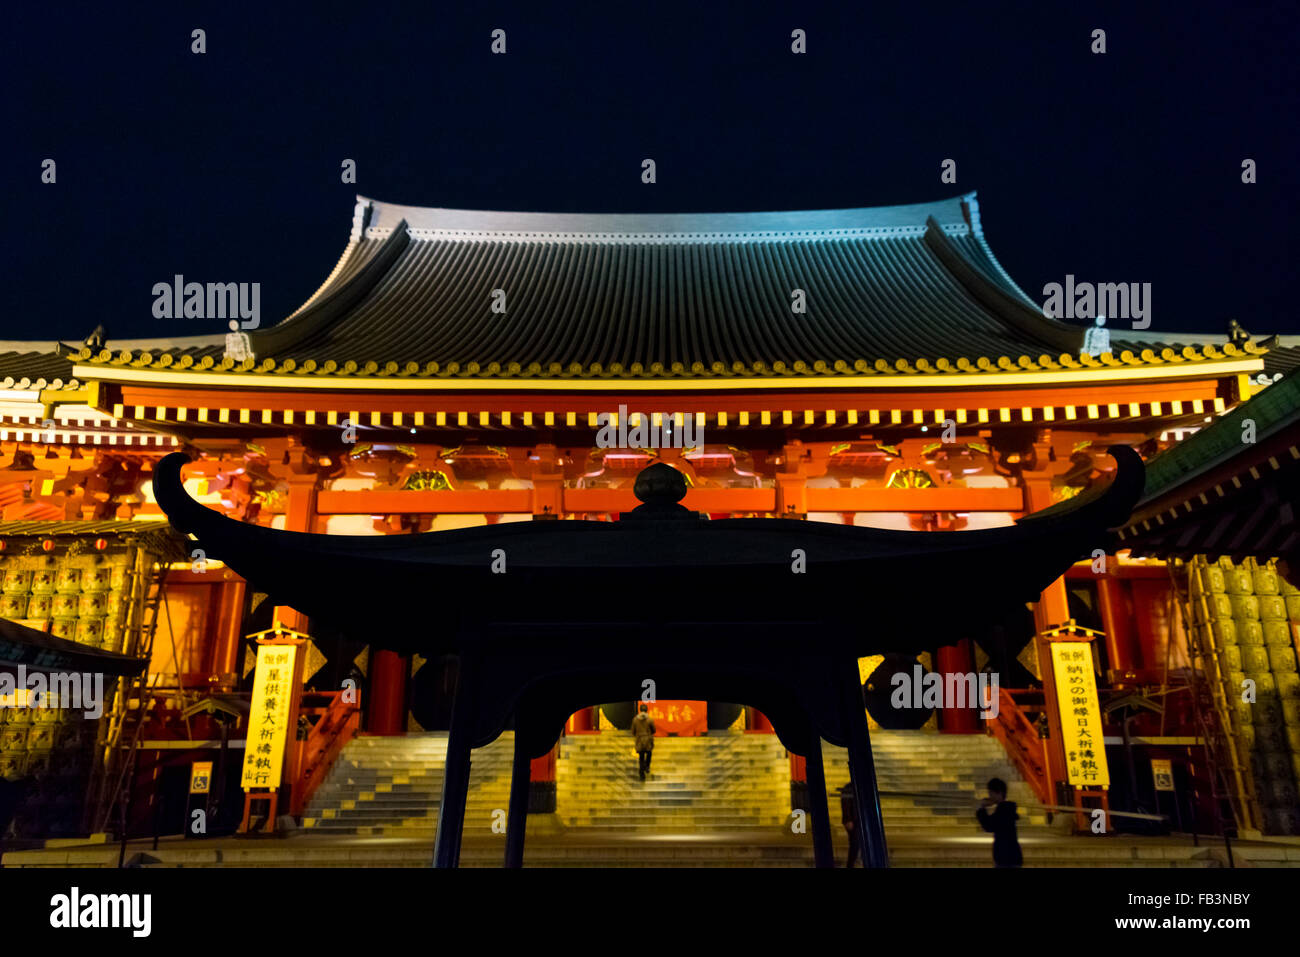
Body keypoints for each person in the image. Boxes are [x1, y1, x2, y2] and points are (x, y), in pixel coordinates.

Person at [975, 777, 1023, 867]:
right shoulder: (1006, 808)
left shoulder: (1003, 810)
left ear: (999, 793)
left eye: (991, 793)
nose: (989, 796)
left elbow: (989, 826)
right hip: (1009, 857)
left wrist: (981, 809)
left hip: (1006, 858)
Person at [631, 703, 655, 780]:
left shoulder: (635, 720)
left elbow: (633, 731)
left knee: (641, 757)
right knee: (649, 754)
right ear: (647, 710)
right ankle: (647, 766)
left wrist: (637, 735)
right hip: (648, 740)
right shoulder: (650, 719)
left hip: (639, 740)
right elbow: (653, 730)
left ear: (640, 710)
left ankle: (642, 775)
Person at [839, 780, 859, 867]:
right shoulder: (849, 788)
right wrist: (848, 819)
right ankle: (850, 865)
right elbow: (845, 804)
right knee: (855, 843)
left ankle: (852, 864)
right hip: (854, 820)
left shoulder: (857, 787)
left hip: (857, 820)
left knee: (856, 844)